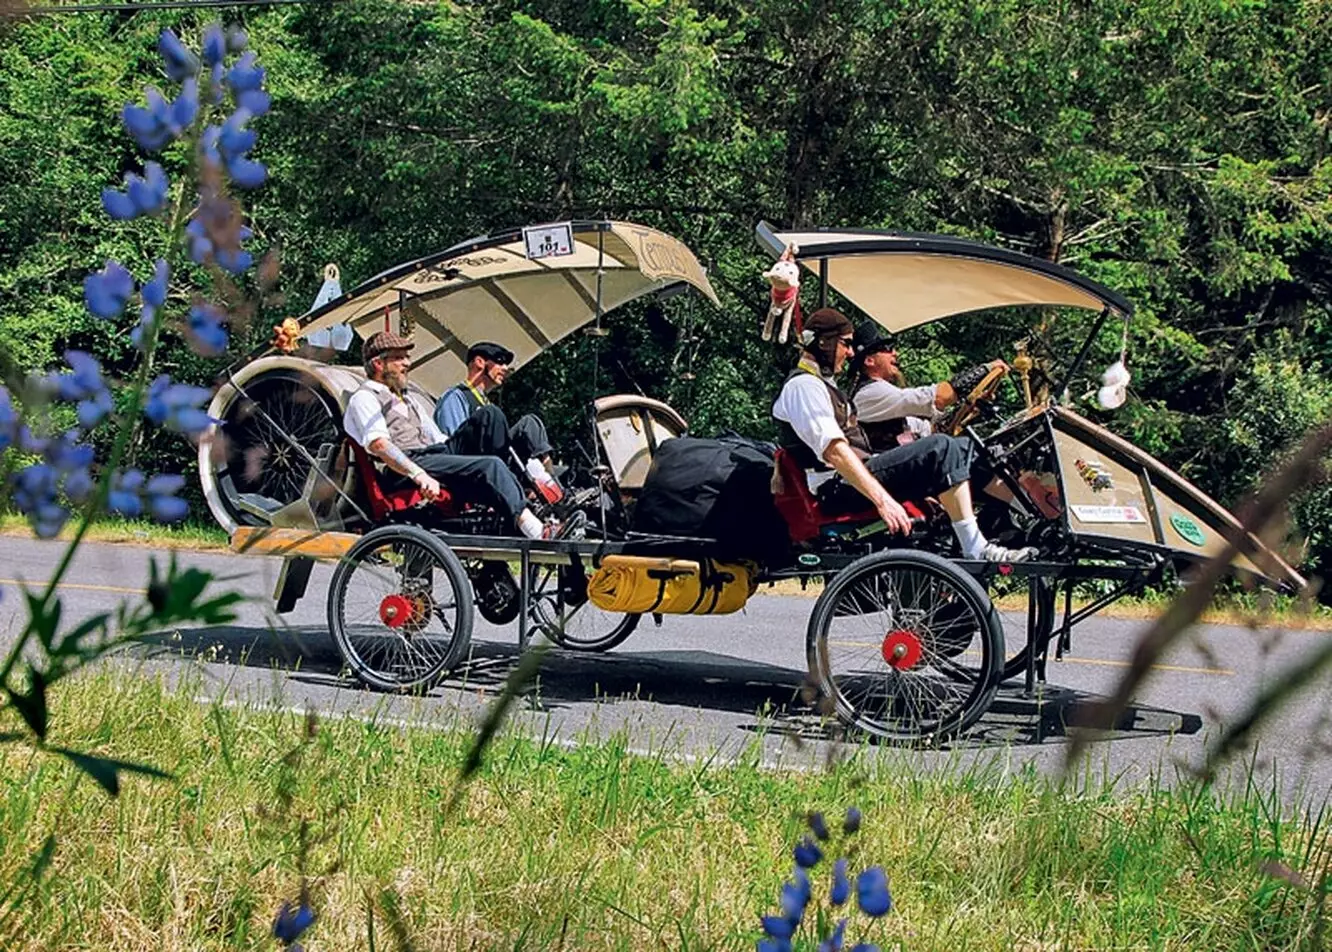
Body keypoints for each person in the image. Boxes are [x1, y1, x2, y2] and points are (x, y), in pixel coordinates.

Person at [771, 308, 1036, 562]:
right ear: (823, 343)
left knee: (964, 448)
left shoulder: (822, 386)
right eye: (845, 343)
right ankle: (976, 547)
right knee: (943, 448)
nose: (850, 352)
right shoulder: (804, 387)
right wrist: (884, 501)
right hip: (836, 489)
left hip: (851, 479)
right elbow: (835, 451)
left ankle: (1025, 519)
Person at [342, 331, 553, 540]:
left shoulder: (408, 400)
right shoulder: (365, 398)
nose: (407, 363)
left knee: (491, 415)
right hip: (406, 466)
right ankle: (535, 529)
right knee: (492, 465)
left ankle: (528, 484)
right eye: (399, 358)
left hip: (434, 455)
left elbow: (439, 439)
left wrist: (465, 458)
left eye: (407, 357)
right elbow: (379, 445)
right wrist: (418, 474)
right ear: (379, 364)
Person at [433, 341, 554, 468]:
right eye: (499, 361)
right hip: (473, 466)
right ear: (480, 362)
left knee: (530, 423)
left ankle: (550, 478)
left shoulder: (485, 401)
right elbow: (455, 444)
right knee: (491, 413)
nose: (505, 368)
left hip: (496, 460)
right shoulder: (456, 396)